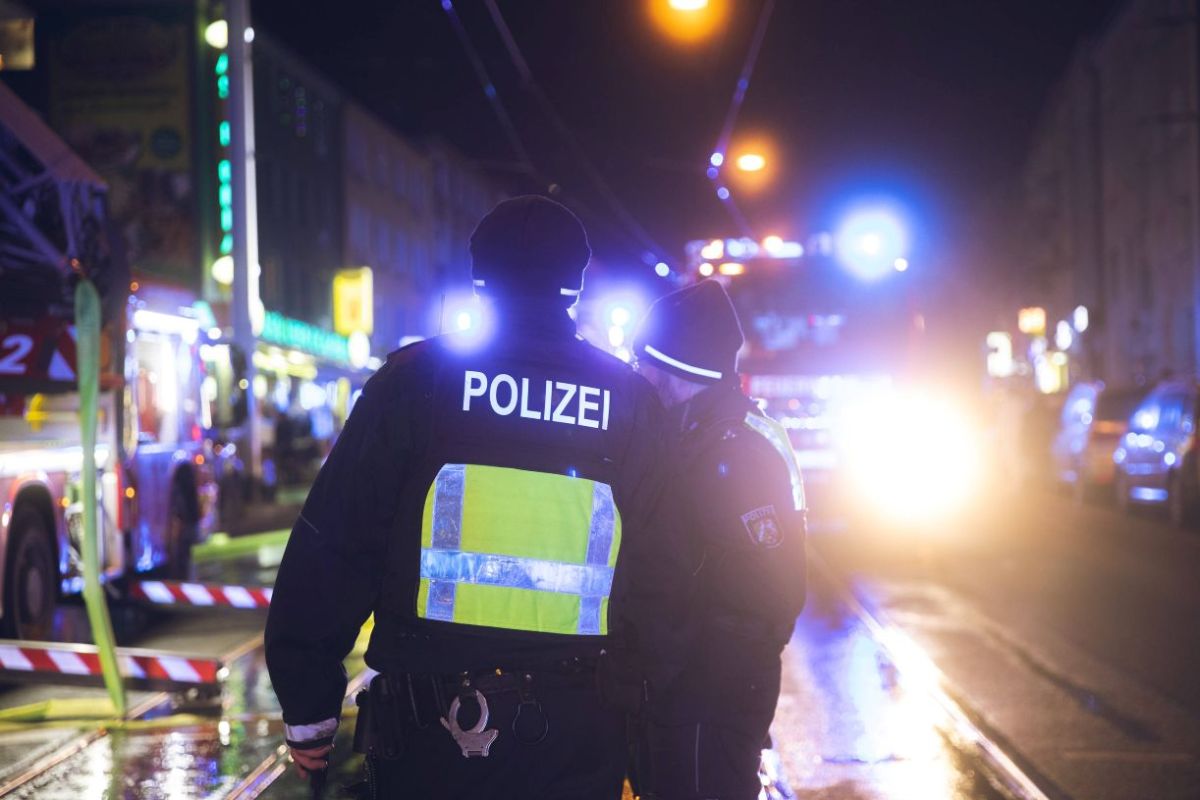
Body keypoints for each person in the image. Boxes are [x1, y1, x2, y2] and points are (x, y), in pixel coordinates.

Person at [265, 195, 678, 799]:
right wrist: (652, 719)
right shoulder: (630, 400)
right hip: (577, 730)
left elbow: (338, 541)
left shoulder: (417, 380)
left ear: (479, 276)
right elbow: (664, 572)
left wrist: (308, 706)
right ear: (577, 281)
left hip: (431, 732)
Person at [629, 280, 807, 800]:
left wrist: (671, 671)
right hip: (694, 688)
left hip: (706, 691)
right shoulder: (696, 434)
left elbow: (762, 593)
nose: (640, 374)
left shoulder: (734, 450)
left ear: (676, 368)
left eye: (646, 362)